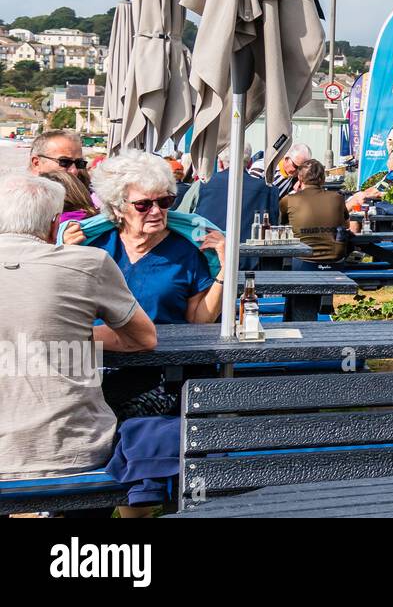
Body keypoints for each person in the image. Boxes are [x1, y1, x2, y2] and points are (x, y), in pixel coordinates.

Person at [0, 174, 158, 497]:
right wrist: (70, 334)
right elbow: (144, 338)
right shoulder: (89, 263)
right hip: (74, 452)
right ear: (53, 224)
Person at [62, 150, 227, 325]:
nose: (156, 211)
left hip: (166, 350)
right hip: (101, 349)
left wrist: (226, 269)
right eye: (143, 204)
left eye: (164, 202)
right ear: (117, 208)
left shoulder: (188, 250)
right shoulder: (92, 246)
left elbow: (198, 320)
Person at [184, 144, 281, 266]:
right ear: (250, 163)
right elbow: (275, 227)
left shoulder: (201, 185)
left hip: (208, 262)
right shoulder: (268, 190)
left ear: (219, 162)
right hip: (250, 265)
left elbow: (182, 216)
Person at [280, 159, 348, 270]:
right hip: (335, 262)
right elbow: (347, 225)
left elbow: (280, 225)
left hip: (303, 261)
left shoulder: (288, 200)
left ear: (300, 178)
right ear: (323, 180)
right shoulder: (337, 198)